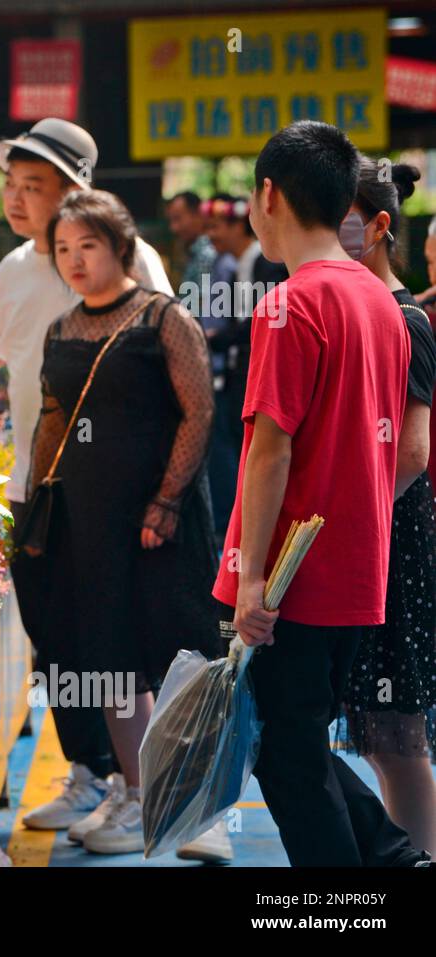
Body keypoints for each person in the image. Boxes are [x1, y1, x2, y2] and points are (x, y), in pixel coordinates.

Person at [0, 117, 178, 847]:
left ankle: (145, 792)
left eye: (34, 187)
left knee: (117, 646)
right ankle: (90, 771)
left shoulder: (131, 259)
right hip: (35, 489)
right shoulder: (19, 267)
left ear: (77, 191)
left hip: (111, 488)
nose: (16, 200)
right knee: (62, 642)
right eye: (11, 186)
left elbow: (171, 361)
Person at [214, 120, 429, 867]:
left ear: (267, 195)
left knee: (289, 757)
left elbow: (271, 450)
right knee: (295, 741)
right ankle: (397, 857)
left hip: (288, 578)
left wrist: (249, 583)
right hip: (352, 572)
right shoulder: (383, 304)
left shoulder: (289, 304)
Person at [26, 189, 221, 857]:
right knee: (110, 662)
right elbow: (51, 421)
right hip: (90, 519)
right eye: (62, 250)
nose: (75, 261)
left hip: (157, 519)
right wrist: (33, 505)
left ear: (121, 247)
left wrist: (166, 501)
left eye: (88, 246)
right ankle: (139, 794)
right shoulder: (61, 329)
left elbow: (199, 412)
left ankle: (202, 802)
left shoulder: (164, 318)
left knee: (179, 655)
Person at [336, 158, 436, 856]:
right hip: (365, 534)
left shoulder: (407, 319)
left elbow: (410, 453)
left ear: (378, 226)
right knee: (378, 732)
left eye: (340, 215)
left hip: (390, 539)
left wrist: (348, 522)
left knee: (396, 731)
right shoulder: (358, 307)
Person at [202, 194, 289, 545]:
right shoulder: (240, 263)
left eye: (217, 226)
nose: (211, 235)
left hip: (256, 370)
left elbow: (260, 322)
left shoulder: (264, 263)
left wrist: (218, 338)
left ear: (242, 225)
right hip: (239, 371)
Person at [165, 191, 217, 295]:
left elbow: (201, 306)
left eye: (177, 219)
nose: (173, 228)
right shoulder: (193, 252)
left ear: (198, 214)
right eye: (170, 221)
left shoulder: (206, 255)